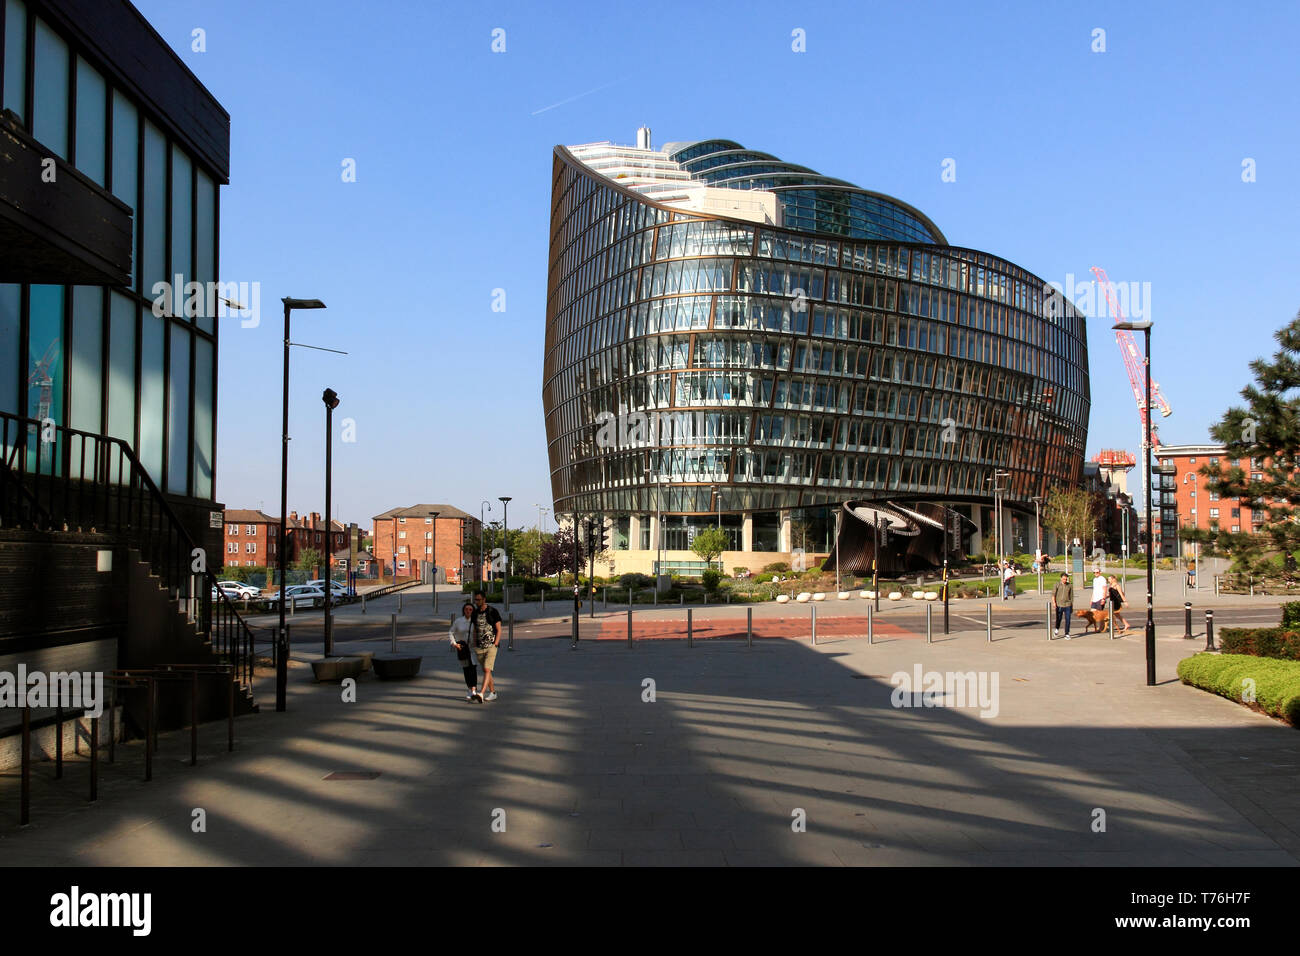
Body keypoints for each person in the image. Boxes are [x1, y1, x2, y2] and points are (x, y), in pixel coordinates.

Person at [470, 590, 503, 701]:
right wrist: (474, 644)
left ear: (484, 599)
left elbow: (499, 629)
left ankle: (481, 693)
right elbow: (475, 629)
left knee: (487, 669)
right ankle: (493, 692)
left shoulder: (492, 611)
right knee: (486, 671)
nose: (476, 602)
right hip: (479, 646)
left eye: (478, 599)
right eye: (475, 599)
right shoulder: (475, 612)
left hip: (491, 645)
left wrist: (496, 644)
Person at [449, 601, 481, 702]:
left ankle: (474, 689)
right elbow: (451, 632)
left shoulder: (475, 621)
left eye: (470, 609)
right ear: (463, 610)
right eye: (466, 609)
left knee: (473, 668)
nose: (468, 611)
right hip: (463, 649)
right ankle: (469, 688)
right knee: (466, 669)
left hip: (473, 648)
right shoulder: (458, 621)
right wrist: (454, 643)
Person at [1052, 571, 1074, 639]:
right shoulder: (1057, 584)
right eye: (1064, 579)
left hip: (1067, 604)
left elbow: (1071, 596)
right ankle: (1056, 629)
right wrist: (1054, 603)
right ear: (1061, 578)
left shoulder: (1069, 585)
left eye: (1066, 579)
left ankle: (1067, 633)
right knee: (1059, 618)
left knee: (1068, 619)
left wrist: (1071, 605)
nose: (1065, 580)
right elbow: (1053, 594)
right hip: (1059, 604)